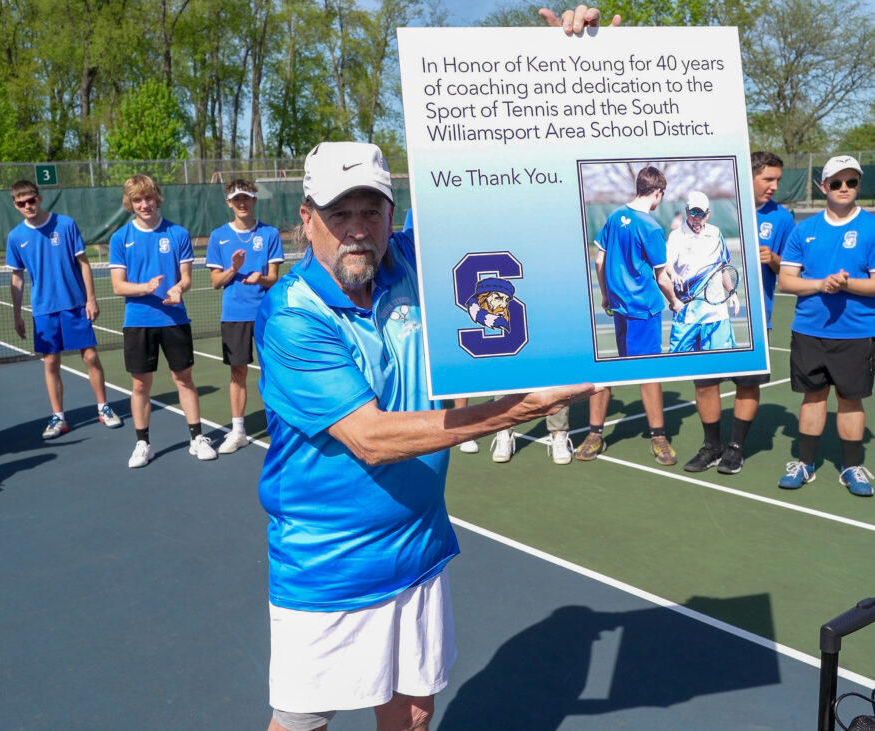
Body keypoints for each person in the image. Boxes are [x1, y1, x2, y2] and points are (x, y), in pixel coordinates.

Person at [255, 137, 594, 728]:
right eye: (340, 213)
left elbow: (504, 194)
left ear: (393, 214)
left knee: (412, 716)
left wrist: (569, 59)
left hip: (418, 548)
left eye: (371, 210)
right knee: (302, 725)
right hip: (328, 564)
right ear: (307, 220)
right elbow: (371, 438)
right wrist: (515, 410)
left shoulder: (412, 261)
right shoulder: (293, 314)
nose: (358, 229)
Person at [683, 152, 794, 474]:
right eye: (768, 179)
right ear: (750, 177)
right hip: (707, 315)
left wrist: (772, 257)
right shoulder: (719, 213)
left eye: (777, 180)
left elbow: (789, 270)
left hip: (754, 320)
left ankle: (735, 447)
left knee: (747, 383)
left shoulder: (782, 218)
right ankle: (711, 446)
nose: (774, 186)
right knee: (705, 383)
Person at [777, 155, 875, 496]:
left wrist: (845, 284)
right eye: (836, 182)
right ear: (824, 187)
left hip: (856, 331)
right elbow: (787, 281)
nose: (844, 188)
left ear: (858, 185)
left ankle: (851, 467)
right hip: (810, 329)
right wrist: (822, 284)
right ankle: (805, 464)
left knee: (851, 400)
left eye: (851, 182)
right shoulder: (804, 230)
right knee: (813, 398)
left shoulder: (872, 228)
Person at [576, 166, 683, 465]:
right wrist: (675, 301)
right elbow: (662, 279)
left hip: (619, 308)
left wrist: (606, 294)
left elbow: (600, 261)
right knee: (649, 374)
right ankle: (659, 436)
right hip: (644, 310)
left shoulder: (613, 217)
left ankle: (595, 434)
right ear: (658, 192)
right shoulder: (650, 227)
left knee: (608, 369)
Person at [109, 174, 217, 467]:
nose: (145, 204)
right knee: (140, 386)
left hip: (174, 318)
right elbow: (118, 286)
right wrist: (145, 288)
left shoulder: (178, 234)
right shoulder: (121, 238)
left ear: (157, 198)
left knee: (183, 379)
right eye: (137, 200)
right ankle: (143, 444)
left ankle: (197, 438)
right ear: (130, 204)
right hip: (138, 321)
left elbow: (186, 279)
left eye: (148, 198)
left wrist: (177, 288)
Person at [6, 180, 121, 440]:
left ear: (39, 198)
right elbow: (17, 278)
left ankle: (103, 407)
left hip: (75, 305)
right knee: (51, 362)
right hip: (44, 310)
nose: (27, 206)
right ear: (15, 205)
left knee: (90, 357)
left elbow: (84, 263)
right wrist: (17, 314)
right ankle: (59, 417)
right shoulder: (16, 237)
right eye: (21, 203)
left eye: (31, 200)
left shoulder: (66, 224)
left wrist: (91, 299)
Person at [205, 179, 283, 454]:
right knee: (237, 372)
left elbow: (274, 278)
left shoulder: (270, 234)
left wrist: (260, 277)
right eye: (236, 198)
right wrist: (233, 268)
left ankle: (280, 426)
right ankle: (238, 431)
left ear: (254, 201)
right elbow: (216, 282)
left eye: (246, 198)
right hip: (234, 315)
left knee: (273, 371)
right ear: (229, 202)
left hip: (266, 314)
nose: (242, 203)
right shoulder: (218, 237)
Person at [665, 191, 739, 353]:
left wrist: (732, 292)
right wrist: (673, 274)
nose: (697, 218)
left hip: (717, 314)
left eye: (701, 214)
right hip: (687, 313)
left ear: (708, 214)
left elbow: (723, 268)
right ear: (686, 211)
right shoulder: (676, 236)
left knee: (719, 366)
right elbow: (667, 265)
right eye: (693, 212)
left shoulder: (716, 234)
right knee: (678, 365)